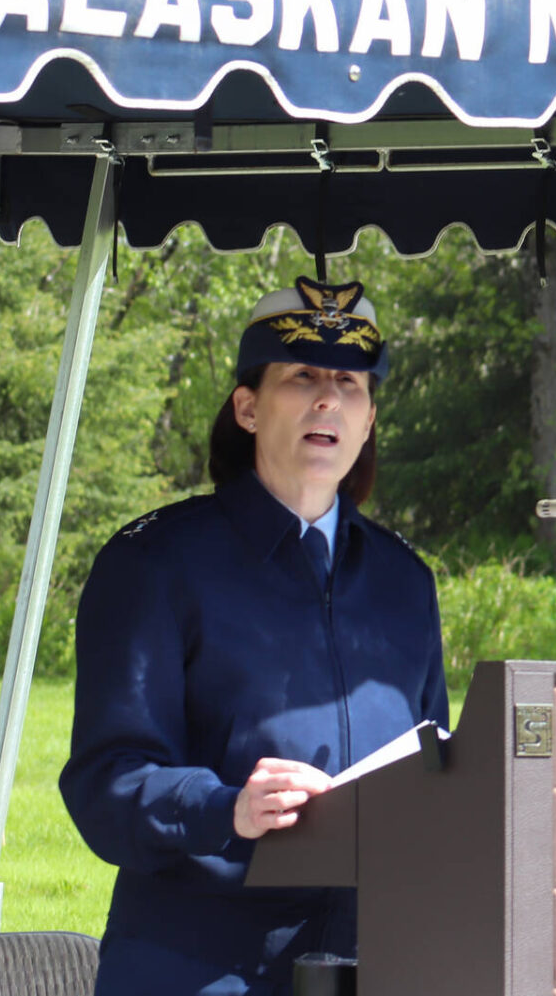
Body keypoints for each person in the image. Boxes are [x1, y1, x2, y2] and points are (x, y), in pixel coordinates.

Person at [61, 278, 449, 996]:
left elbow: (434, 769)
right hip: (199, 965)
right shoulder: (154, 563)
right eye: (301, 376)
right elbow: (104, 781)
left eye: (349, 383)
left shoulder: (405, 584)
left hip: (373, 964)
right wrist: (227, 807)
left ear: (368, 421)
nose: (327, 399)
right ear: (246, 406)